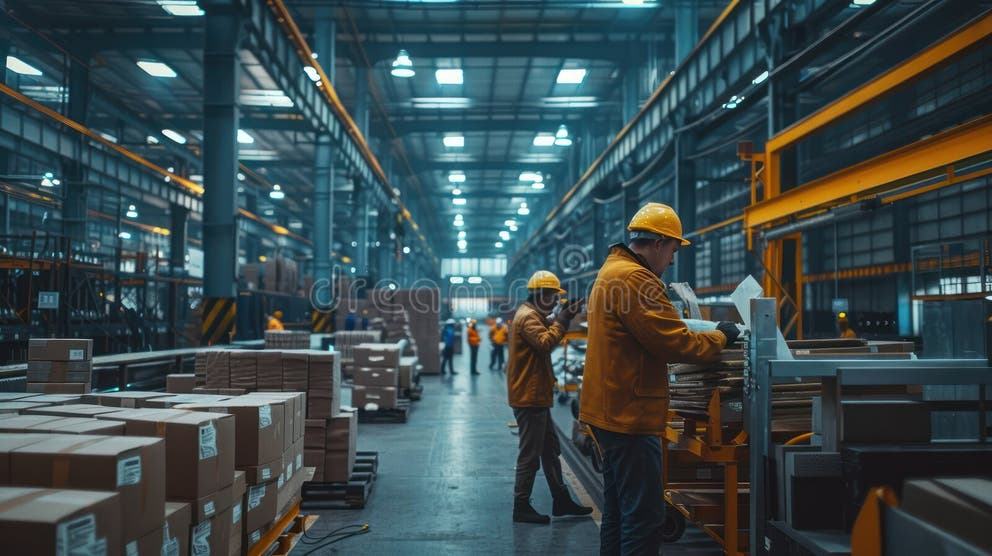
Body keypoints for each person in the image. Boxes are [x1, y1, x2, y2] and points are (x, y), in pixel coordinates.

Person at [580, 203, 739, 554]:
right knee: (644, 517)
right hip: (629, 418)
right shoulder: (636, 280)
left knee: (620, 511)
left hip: (609, 411)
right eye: (672, 250)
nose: (671, 260)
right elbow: (674, 342)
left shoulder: (611, 272)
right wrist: (722, 337)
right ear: (657, 243)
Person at [508, 270, 591, 524]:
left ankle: (561, 499)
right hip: (529, 397)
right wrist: (564, 318)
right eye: (554, 297)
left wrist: (564, 312)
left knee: (550, 450)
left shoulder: (533, 314)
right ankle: (521, 505)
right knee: (530, 454)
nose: (556, 301)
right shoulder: (527, 318)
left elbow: (548, 322)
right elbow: (545, 342)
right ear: (541, 295)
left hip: (537, 396)